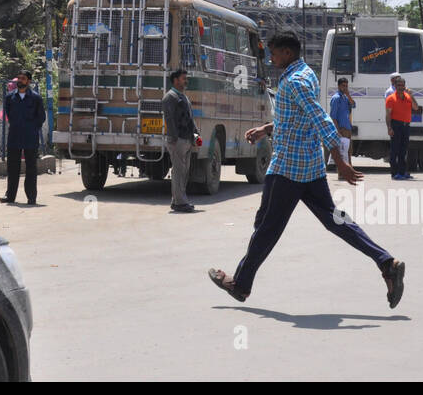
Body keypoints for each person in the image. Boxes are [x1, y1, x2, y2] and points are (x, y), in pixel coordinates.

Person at [208, 31, 404, 308]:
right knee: (333, 220)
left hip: (288, 167)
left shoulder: (296, 82)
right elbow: (298, 118)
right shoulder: (305, 73)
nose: (272, 58)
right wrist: (267, 129)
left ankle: (241, 285)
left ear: (287, 53)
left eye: (274, 54)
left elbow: (320, 119)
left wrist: (341, 160)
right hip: (309, 167)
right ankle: (386, 262)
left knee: (266, 227)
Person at [0, 70, 45, 206]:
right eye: (18, 78)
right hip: (14, 136)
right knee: (12, 168)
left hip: (30, 138)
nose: (20, 81)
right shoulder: (10, 97)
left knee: (31, 168)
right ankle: (10, 196)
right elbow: (8, 114)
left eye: (23, 79)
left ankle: (31, 198)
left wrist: (31, 129)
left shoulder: (36, 98)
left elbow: (41, 117)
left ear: (29, 81)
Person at [162, 67, 201, 213]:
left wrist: (196, 136)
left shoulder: (183, 97)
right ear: (176, 80)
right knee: (178, 172)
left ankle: (177, 200)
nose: (186, 81)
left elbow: (190, 119)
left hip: (187, 140)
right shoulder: (169, 97)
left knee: (184, 172)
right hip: (177, 141)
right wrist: (174, 138)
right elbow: (169, 120)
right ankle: (180, 202)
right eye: (184, 78)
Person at [385, 75, 420, 180]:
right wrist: (389, 128)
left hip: (406, 125)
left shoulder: (408, 97)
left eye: (402, 85)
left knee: (403, 150)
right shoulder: (391, 98)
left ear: (405, 86)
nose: (401, 87)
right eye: (399, 85)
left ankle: (402, 172)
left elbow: (416, 107)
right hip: (396, 125)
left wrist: (411, 95)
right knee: (395, 150)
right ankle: (394, 173)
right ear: (395, 86)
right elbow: (388, 115)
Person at [328, 76, 356, 168]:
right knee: (342, 153)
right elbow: (333, 116)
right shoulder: (336, 98)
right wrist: (337, 131)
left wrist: (348, 95)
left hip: (347, 129)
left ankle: (348, 170)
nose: (345, 88)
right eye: (343, 86)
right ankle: (342, 173)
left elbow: (353, 105)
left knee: (348, 152)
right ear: (339, 86)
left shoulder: (345, 97)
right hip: (341, 129)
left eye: (346, 86)